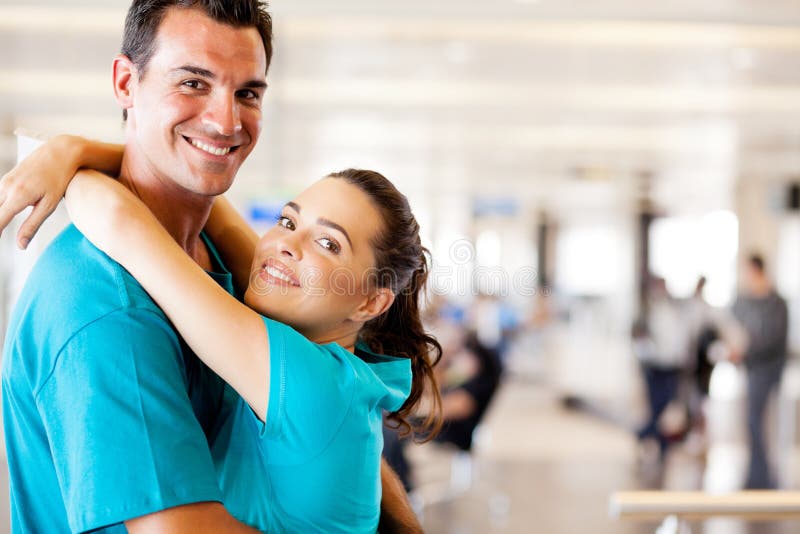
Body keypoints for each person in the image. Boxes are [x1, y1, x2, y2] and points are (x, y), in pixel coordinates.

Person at [0, 1, 420, 532]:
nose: (226, 121)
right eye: (193, 83)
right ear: (126, 84)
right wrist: (75, 156)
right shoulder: (106, 307)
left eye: (247, 93)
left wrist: (77, 157)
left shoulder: (235, 275)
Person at [731, 254, 788, 489]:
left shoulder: (777, 303)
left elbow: (772, 339)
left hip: (768, 369)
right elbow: (734, 324)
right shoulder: (745, 302)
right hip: (753, 368)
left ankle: (762, 476)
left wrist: (746, 351)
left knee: (758, 421)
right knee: (752, 421)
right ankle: (757, 472)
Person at [632, 277, 691, 459]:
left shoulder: (674, 310)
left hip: (671, 367)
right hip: (654, 366)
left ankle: (659, 444)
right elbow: (638, 336)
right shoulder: (647, 311)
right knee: (656, 408)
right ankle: (645, 436)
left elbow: (680, 338)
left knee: (666, 410)